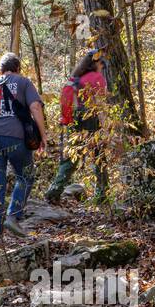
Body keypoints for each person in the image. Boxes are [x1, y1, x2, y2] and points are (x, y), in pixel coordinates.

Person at [0, 52, 47, 243]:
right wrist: (43, 135)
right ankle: (13, 216)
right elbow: (35, 108)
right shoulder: (24, 82)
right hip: (15, 137)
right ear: (17, 68)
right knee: (25, 176)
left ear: (1, 69)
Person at [46, 50, 109, 203]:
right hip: (90, 118)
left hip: (74, 120)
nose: (102, 67)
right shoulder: (96, 78)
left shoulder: (75, 78)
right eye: (102, 64)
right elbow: (99, 105)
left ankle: (54, 190)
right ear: (95, 63)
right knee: (99, 156)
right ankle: (101, 196)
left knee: (73, 157)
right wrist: (105, 127)